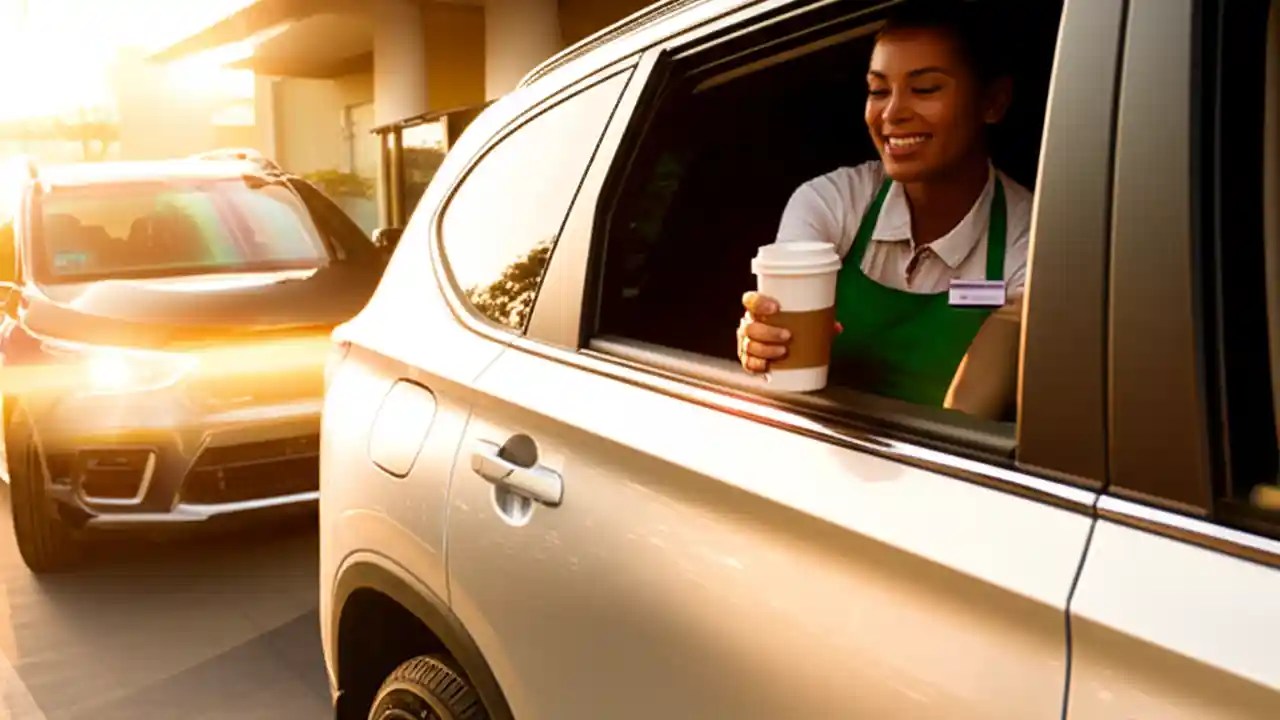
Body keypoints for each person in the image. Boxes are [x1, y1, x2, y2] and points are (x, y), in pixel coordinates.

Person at [736, 0, 1031, 421]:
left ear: (993, 102)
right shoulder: (831, 202)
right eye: (878, 91)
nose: (891, 113)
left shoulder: (1031, 238)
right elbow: (785, 368)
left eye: (925, 89)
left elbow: (965, 421)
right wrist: (764, 344)